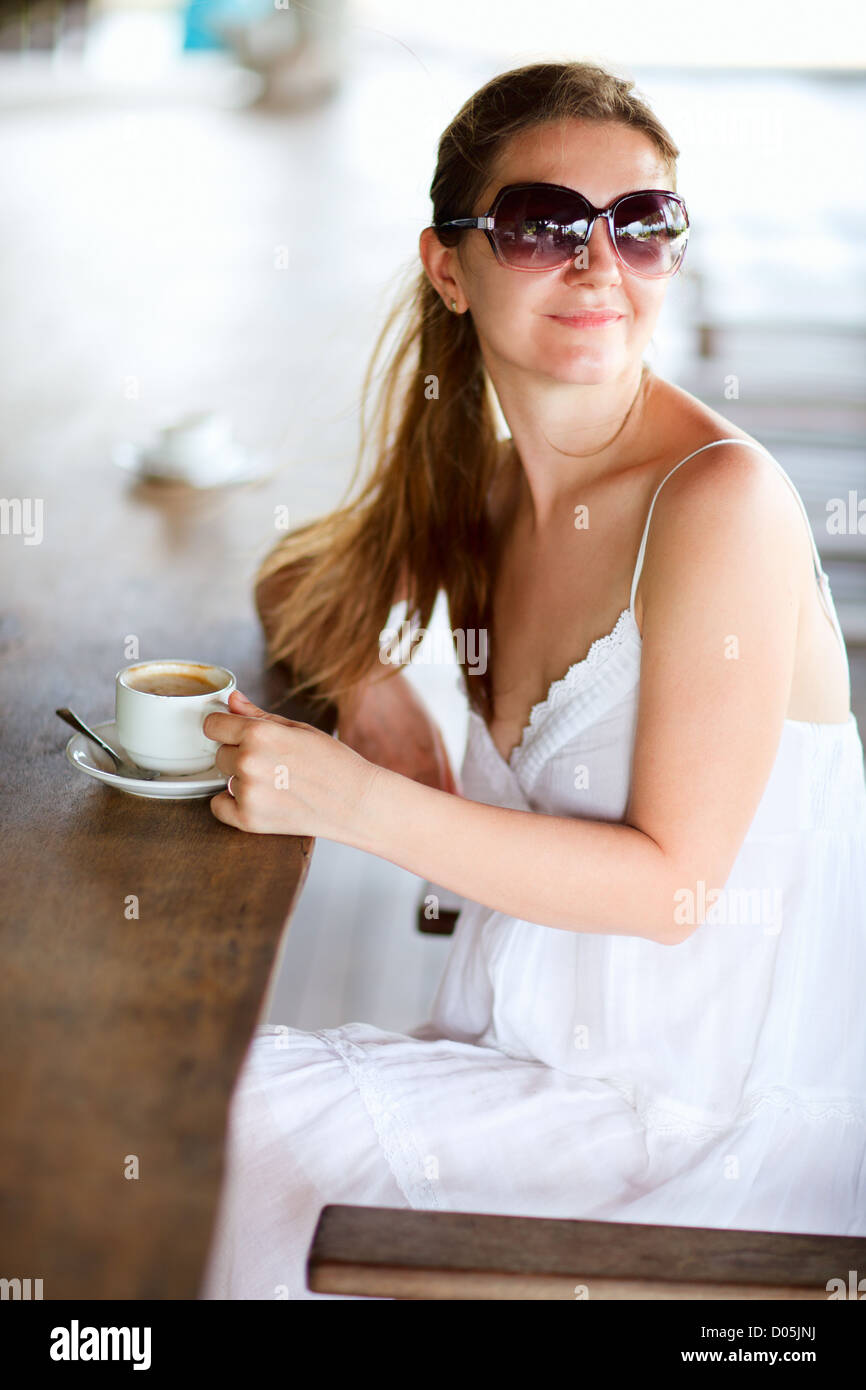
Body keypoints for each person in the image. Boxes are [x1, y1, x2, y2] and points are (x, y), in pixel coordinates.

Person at [199, 60, 866, 1300]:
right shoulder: (495, 492)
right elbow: (298, 577)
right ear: (447, 265)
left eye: (641, 225)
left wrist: (348, 798)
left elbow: (675, 891)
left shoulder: (716, 504)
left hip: (690, 1124)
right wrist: (371, 685)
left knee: (211, 1125)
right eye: (541, 223)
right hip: (531, 1067)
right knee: (200, 1111)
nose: (596, 260)